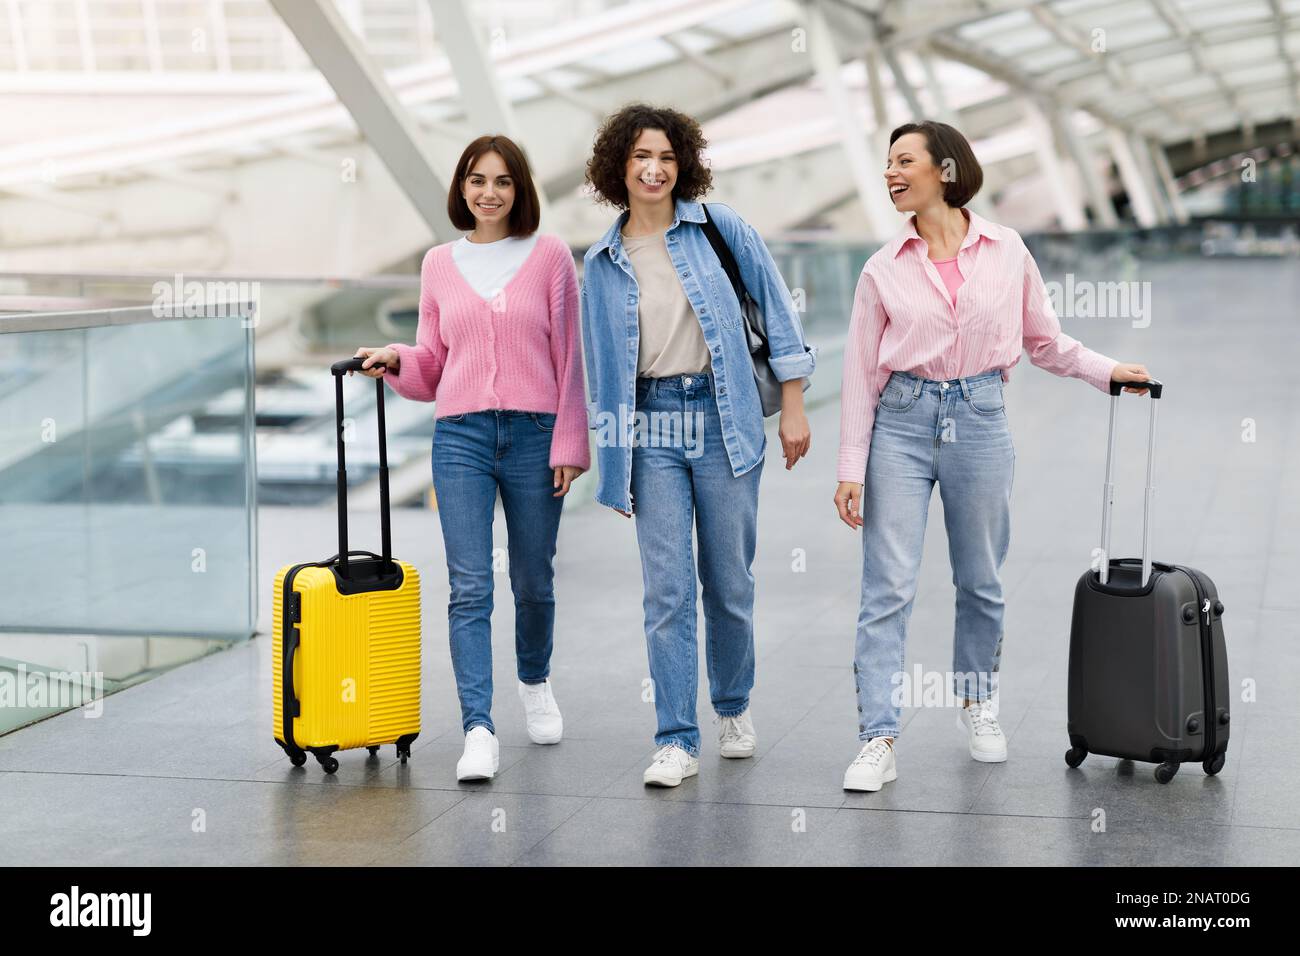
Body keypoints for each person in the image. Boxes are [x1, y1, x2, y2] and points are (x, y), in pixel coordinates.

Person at [833, 120, 1153, 792]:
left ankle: (978, 705)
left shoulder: (1007, 250)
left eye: (904, 161)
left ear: (945, 170)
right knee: (886, 587)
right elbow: (860, 376)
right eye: (887, 163)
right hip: (900, 422)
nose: (891, 173)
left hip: (979, 418)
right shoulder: (880, 269)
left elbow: (1045, 340)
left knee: (980, 580)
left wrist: (1105, 369)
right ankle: (878, 737)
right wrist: (849, 467)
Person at [580, 103, 816, 787]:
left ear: (682, 165)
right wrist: (613, 463)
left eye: (666, 158)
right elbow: (600, 371)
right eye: (640, 158)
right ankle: (675, 737)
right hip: (650, 427)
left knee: (730, 581)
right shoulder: (601, 260)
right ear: (617, 168)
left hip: (721, 418)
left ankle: (733, 707)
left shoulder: (718, 228)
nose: (654, 170)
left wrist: (793, 407)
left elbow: (776, 308)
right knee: (666, 590)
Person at [353, 134, 589, 782]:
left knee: (534, 580)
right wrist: (399, 357)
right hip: (459, 437)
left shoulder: (550, 258)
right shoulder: (438, 264)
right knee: (469, 586)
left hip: (536, 435)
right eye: (477, 180)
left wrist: (571, 442)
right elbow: (433, 366)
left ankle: (534, 681)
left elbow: (571, 357)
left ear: (521, 190)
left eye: (503, 181)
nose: (489, 192)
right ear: (461, 188)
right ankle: (478, 729)